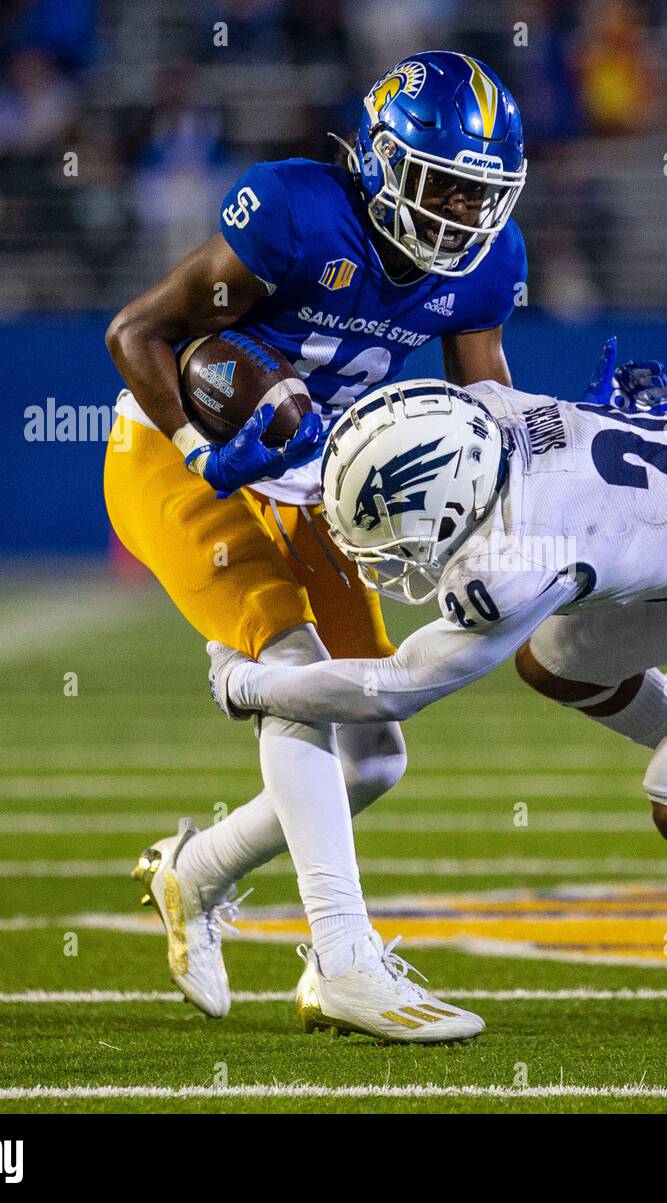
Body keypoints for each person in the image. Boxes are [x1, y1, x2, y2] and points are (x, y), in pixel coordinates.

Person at [208, 375, 667, 1039]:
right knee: (554, 661)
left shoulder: (518, 560)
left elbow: (390, 687)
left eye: (399, 529)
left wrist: (250, 686)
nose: (390, 554)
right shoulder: (490, 407)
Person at [102, 51, 527, 1043]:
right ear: (381, 164)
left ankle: (191, 874)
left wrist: (572, 436)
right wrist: (203, 446)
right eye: (444, 185)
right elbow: (137, 332)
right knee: (293, 667)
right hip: (178, 457)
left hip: (310, 479)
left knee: (374, 750)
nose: (464, 215)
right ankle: (343, 959)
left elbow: (492, 409)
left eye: (482, 193)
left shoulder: (484, 268)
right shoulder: (296, 215)